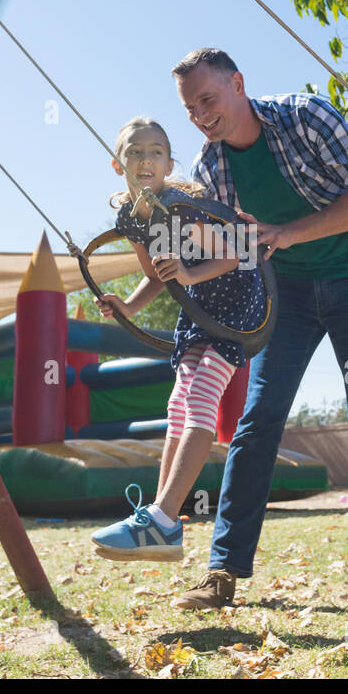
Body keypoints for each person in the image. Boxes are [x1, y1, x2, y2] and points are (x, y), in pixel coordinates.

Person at [169, 48, 348, 611]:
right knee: (258, 419)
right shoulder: (211, 167)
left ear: (238, 84)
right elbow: (236, 248)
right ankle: (223, 571)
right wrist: (180, 264)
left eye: (208, 99)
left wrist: (290, 233)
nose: (200, 113)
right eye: (190, 106)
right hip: (282, 299)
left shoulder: (306, 117)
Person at [90, 117, 266, 562]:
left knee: (203, 396)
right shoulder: (131, 218)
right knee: (177, 405)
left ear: (169, 163)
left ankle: (165, 518)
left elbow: (237, 253)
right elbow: (154, 275)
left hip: (233, 308)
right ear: (117, 164)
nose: (145, 159)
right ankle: (158, 518)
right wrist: (127, 308)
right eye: (134, 151)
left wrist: (188, 273)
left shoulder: (179, 207)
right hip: (197, 311)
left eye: (155, 151)